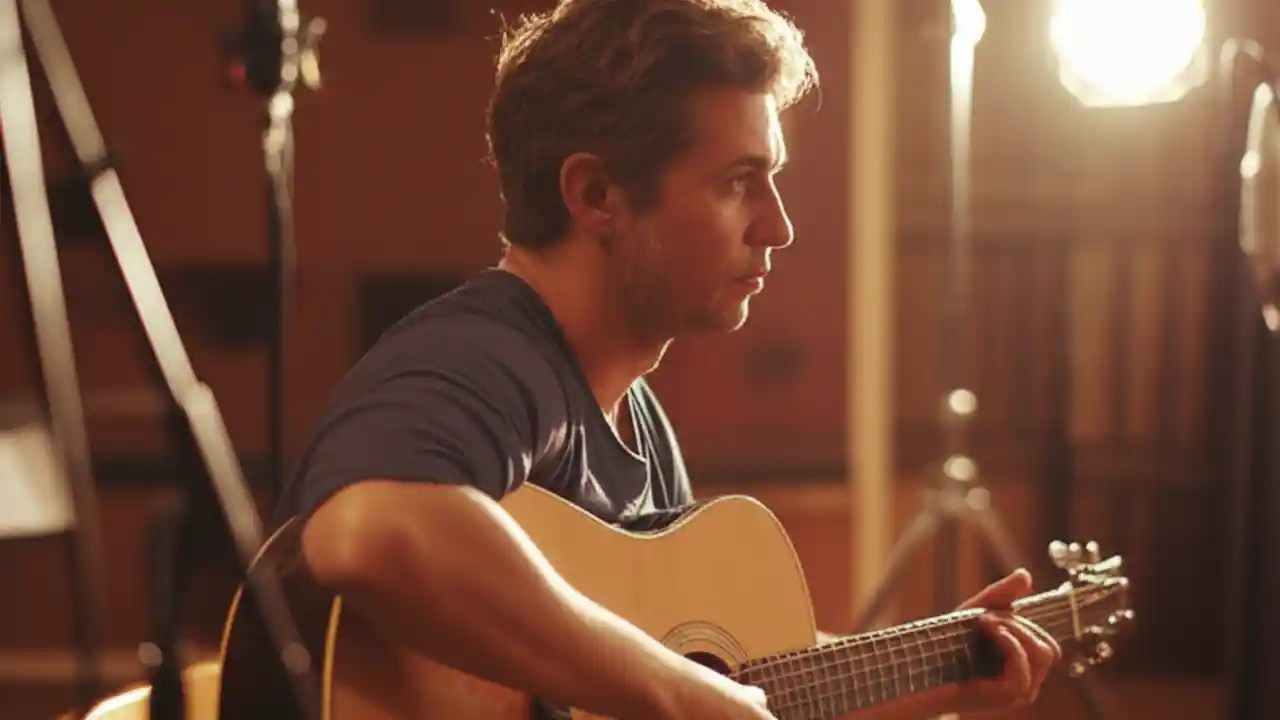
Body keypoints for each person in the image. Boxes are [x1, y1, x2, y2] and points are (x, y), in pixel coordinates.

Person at [279, 1, 1061, 717]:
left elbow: (736, 692)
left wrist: (941, 678)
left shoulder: (636, 420)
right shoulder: (486, 356)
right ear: (596, 195)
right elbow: (368, 529)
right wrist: (679, 695)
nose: (778, 227)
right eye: (738, 182)